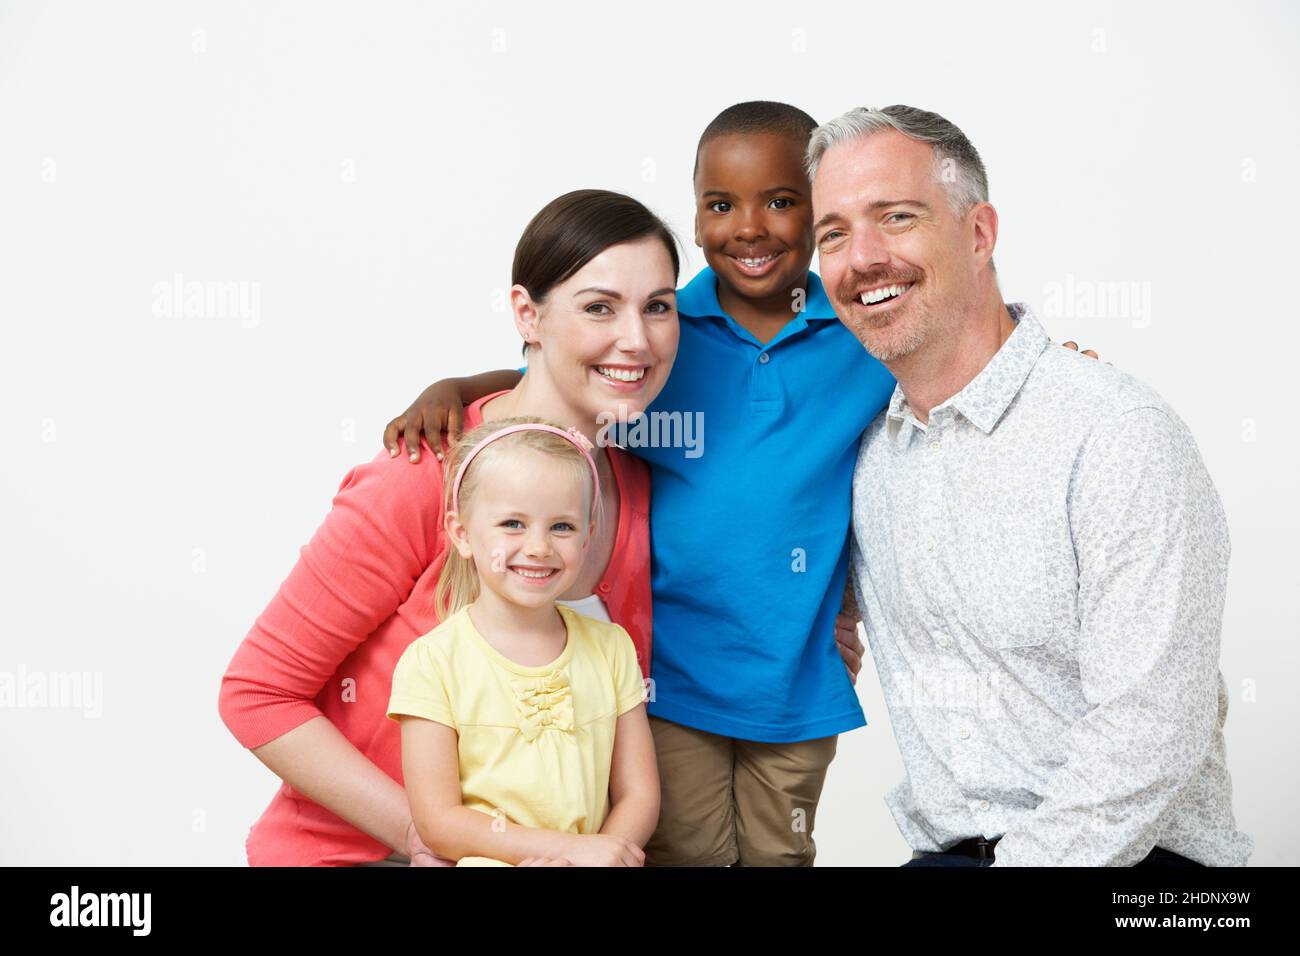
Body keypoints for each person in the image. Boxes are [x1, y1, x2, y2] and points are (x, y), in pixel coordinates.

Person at [382, 102, 1096, 866]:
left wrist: (1052, 374)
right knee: (683, 850)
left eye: (782, 202)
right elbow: (562, 372)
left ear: (819, 213)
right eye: (721, 206)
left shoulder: (860, 328)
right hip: (669, 678)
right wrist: (458, 382)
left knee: (779, 854)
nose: (749, 227)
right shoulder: (664, 329)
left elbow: (952, 357)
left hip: (795, 681)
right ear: (694, 219)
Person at [808, 104, 1253, 866]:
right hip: (949, 852)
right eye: (834, 233)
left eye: (897, 216)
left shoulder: (1115, 434)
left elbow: (1148, 736)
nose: (863, 257)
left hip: (1142, 867)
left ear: (978, 233)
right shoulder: (867, 462)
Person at [217, 189, 680, 866]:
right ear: (527, 313)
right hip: (362, 856)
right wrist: (418, 831)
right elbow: (257, 692)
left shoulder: (634, 490)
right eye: (599, 307)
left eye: (659, 307)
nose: (636, 339)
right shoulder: (423, 470)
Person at [389, 418, 657, 866]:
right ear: (462, 534)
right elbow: (438, 821)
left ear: (587, 537)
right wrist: (565, 850)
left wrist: (601, 856)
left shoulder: (611, 648)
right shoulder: (432, 662)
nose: (538, 547)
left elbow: (639, 793)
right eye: (513, 523)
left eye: (562, 527)